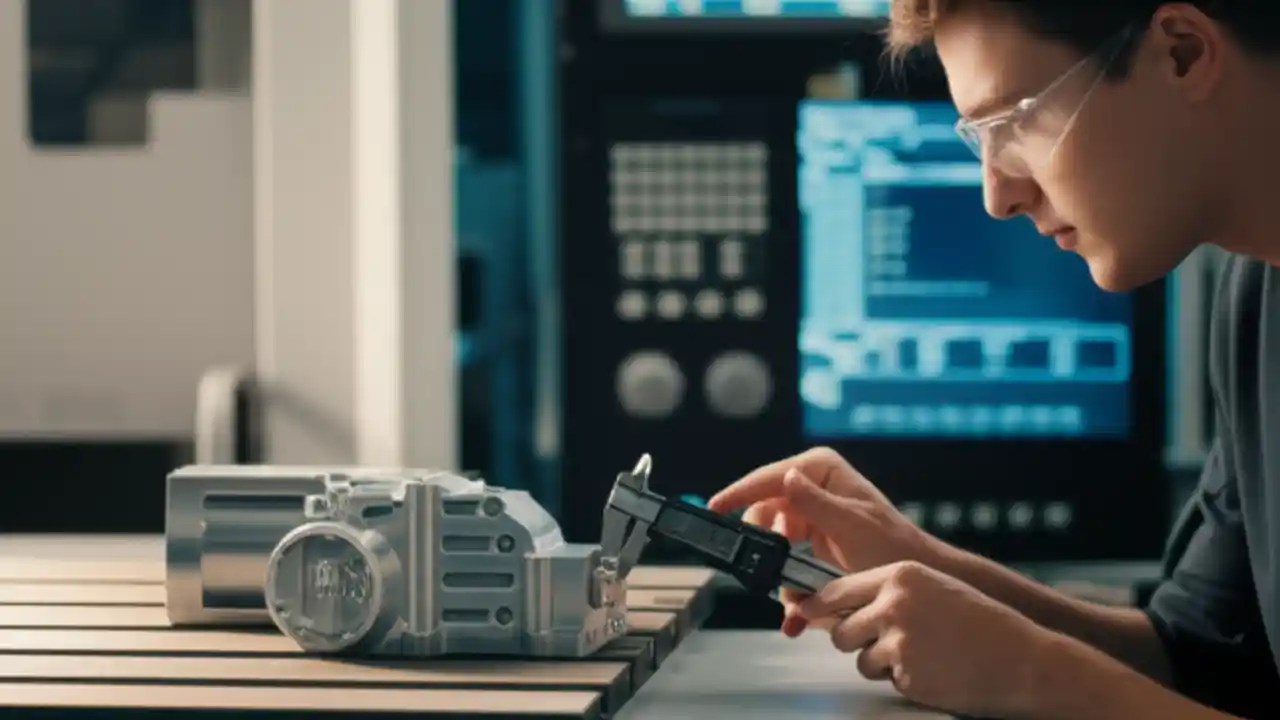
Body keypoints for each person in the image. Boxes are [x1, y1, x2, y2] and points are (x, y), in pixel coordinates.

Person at [707, 2, 1280, 718]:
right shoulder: (1256, 295)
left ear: (1182, 52)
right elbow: (1204, 665)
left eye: (1014, 122)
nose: (997, 195)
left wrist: (1035, 676)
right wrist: (916, 563)